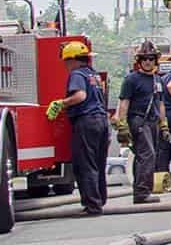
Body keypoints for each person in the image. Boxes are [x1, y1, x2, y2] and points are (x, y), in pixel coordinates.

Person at [48, 40, 108, 215]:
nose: (66, 65)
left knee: (85, 165)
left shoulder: (77, 74)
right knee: (98, 163)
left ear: (73, 60)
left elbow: (80, 96)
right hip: (101, 121)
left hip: (86, 122)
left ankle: (92, 206)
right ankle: (100, 199)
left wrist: (62, 103)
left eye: (66, 62)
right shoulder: (93, 75)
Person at [117, 41, 164, 204]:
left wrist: (163, 125)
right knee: (147, 155)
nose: (148, 61)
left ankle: (144, 190)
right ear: (139, 60)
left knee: (148, 156)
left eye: (151, 58)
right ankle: (142, 193)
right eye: (144, 58)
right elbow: (124, 102)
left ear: (156, 60)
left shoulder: (158, 80)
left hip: (153, 122)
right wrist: (122, 124)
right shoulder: (131, 79)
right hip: (139, 121)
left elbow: (160, 104)